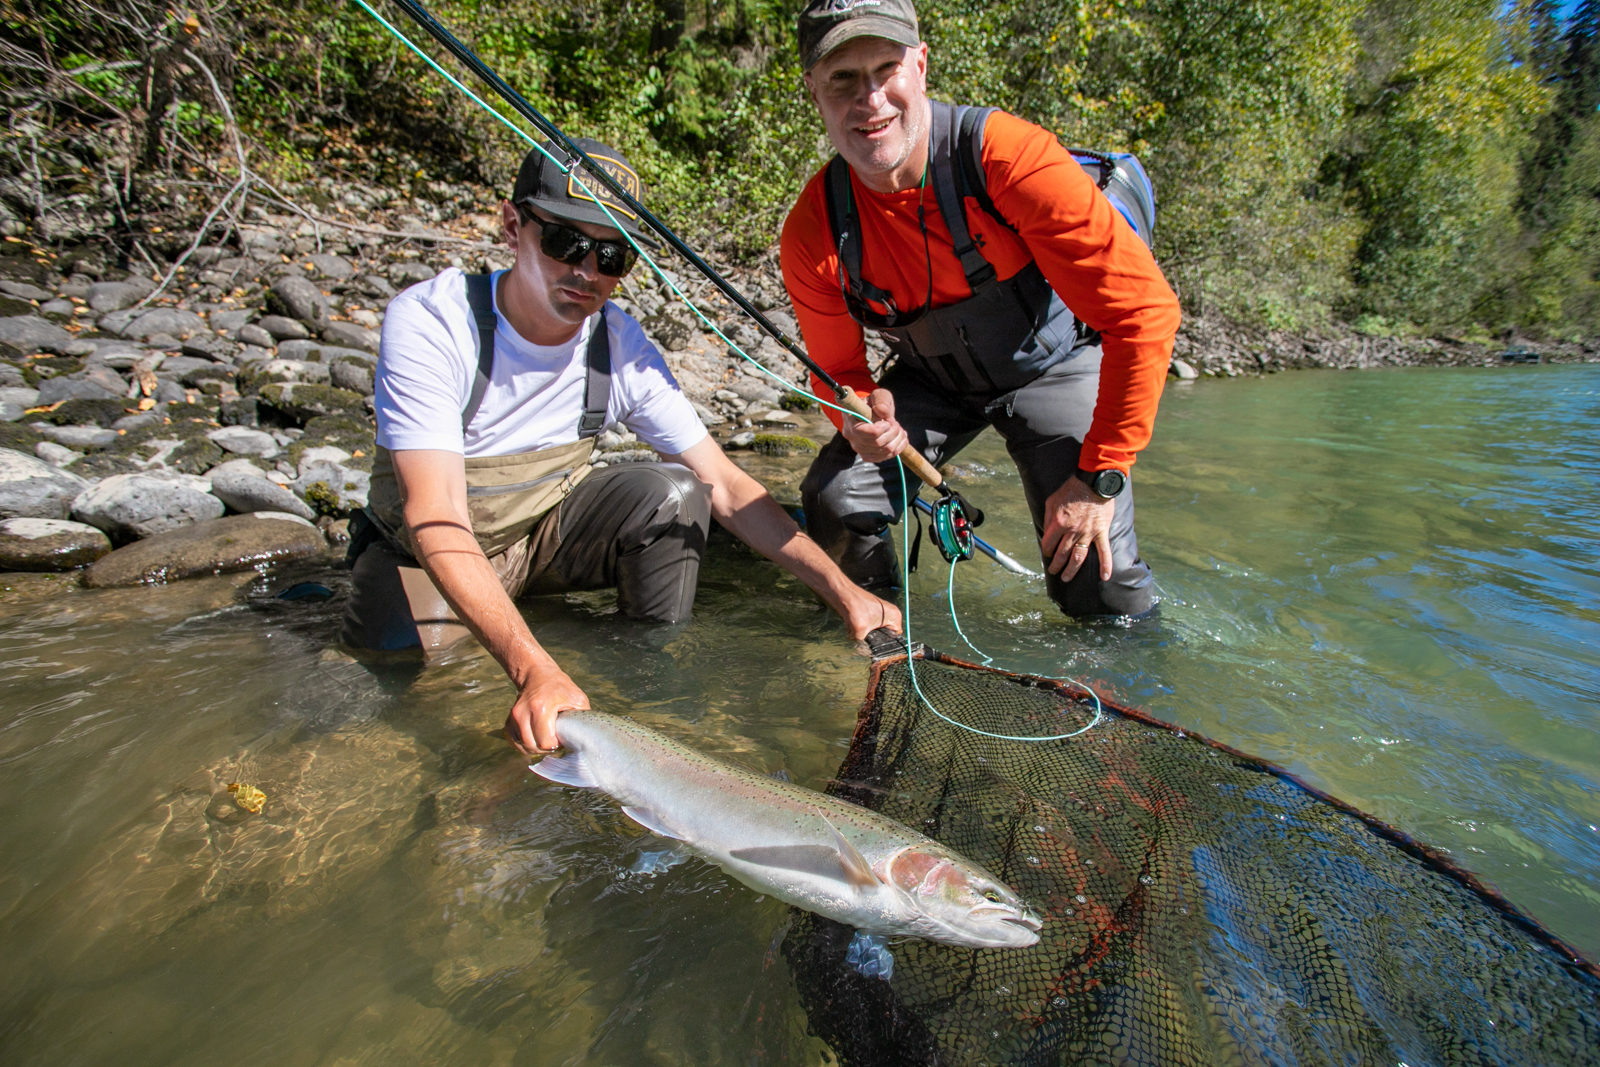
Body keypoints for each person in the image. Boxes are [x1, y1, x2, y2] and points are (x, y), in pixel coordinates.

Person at [340, 138, 901, 754]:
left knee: (677, 492)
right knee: (392, 685)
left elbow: (729, 487)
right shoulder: (433, 322)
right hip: (426, 558)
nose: (587, 271)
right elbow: (434, 514)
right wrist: (534, 671)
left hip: (539, 542)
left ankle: (646, 677)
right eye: (566, 243)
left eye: (613, 255)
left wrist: (846, 593)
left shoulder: (620, 344)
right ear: (511, 226)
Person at [782, 0, 1182, 618]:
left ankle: (1124, 686)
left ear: (920, 64)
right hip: (934, 385)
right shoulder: (814, 228)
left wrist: (1101, 476)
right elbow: (840, 374)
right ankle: (877, 630)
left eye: (886, 68)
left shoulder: (1008, 158)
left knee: (1095, 575)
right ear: (813, 89)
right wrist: (858, 416)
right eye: (843, 79)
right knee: (837, 495)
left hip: (1057, 364)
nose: (870, 100)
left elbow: (1145, 313)